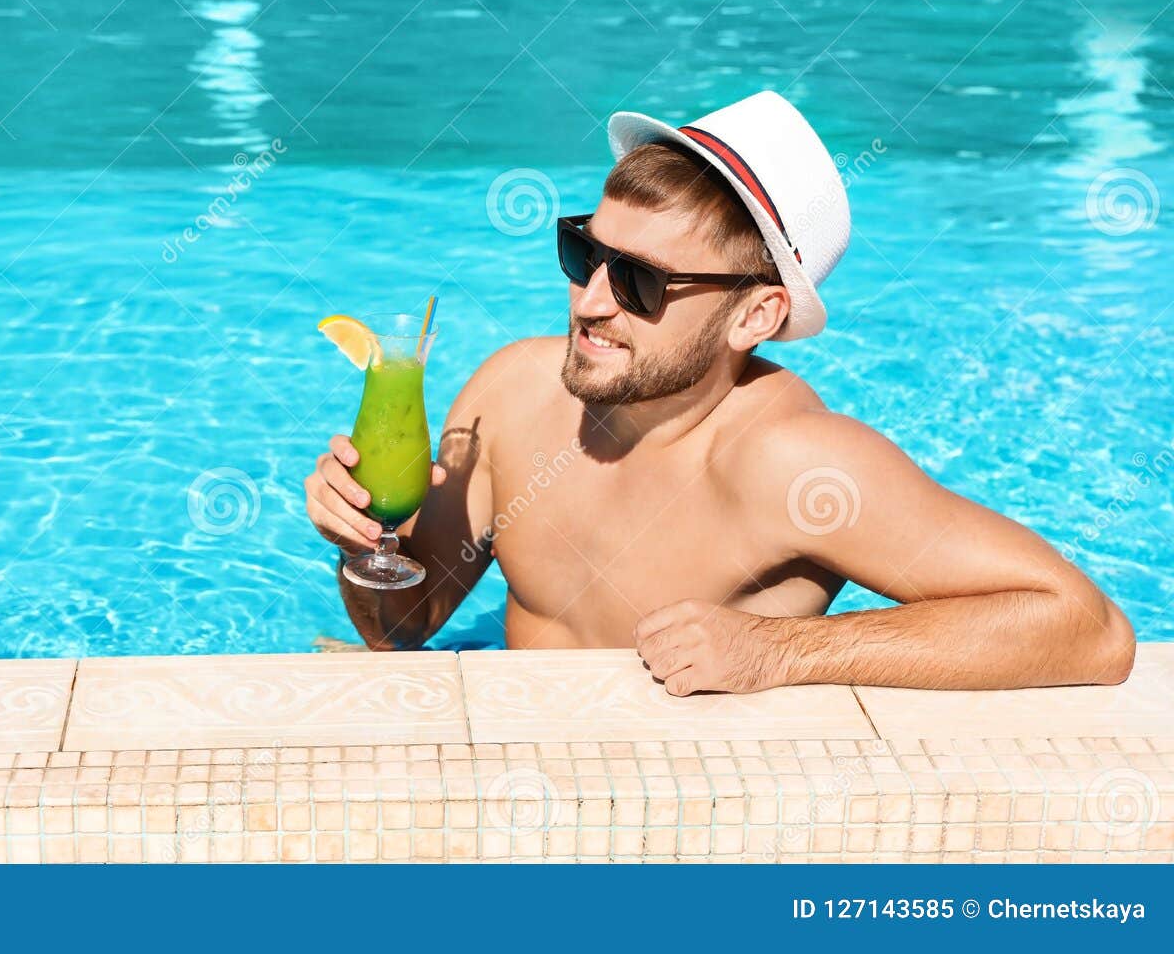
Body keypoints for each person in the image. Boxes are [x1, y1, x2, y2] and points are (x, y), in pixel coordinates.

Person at [302, 91, 1135, 694]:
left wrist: (782, 653)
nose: (591, 300)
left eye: (640, 281)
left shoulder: (791, 465)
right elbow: (401, 628)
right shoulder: (512, 393)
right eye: (584, 253)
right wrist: (359, 546)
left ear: (756, 314)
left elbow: (1086, 628)